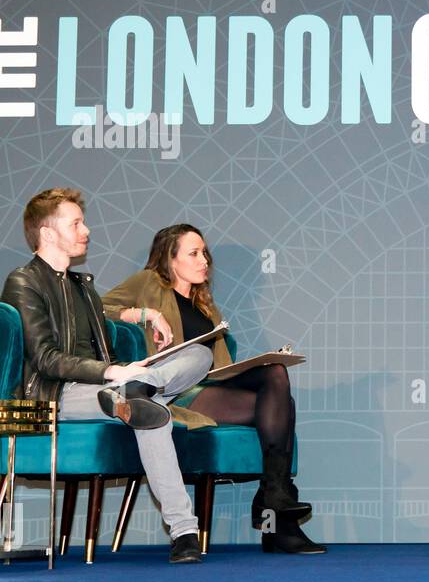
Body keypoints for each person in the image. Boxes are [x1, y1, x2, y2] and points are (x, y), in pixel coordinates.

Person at [0, 188, 211, 564]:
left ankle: (139, 389)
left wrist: (143, 322)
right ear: (48, 234)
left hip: (110, 389)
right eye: (77, 223)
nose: (87, 231)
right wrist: (112, 372)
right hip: (55, 395)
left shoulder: (83, 287)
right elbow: (47, 359)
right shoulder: (23, 282)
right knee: (152, 414)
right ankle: (184, 533)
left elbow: (107, 331)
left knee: (198, 353)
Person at [103, 224, 325, 554]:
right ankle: (275, 518)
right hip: (175, 390)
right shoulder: (148, 282)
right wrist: (144, 314)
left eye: (204, 252)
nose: (204, 259)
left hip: (210, 383)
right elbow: (96, 311)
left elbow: (216, 368)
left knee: (276, 375)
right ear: (170, 259)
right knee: (281, 403)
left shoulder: (205, 304)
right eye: (193, 253)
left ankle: (274, 497)